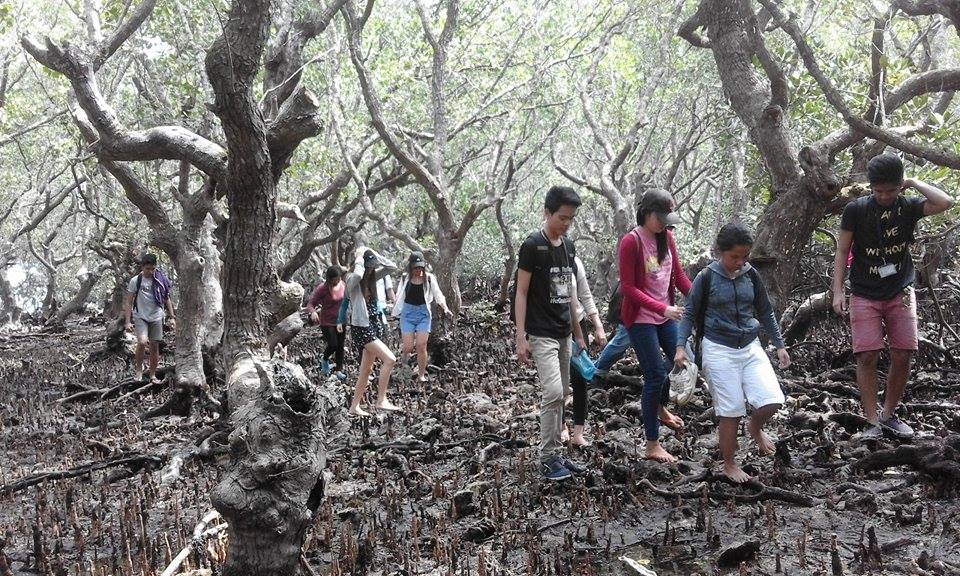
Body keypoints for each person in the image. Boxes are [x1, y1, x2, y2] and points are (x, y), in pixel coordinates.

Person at [831, 154, 953, 439]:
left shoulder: (909, 206)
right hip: (864, 291)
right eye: (878, 191)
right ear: (871, 187)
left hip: (900, 290)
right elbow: (841, 250)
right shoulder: (856, 209)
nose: (884, 196)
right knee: (868, 354)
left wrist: (912, 181)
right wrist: (838, 290)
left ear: (900, 186)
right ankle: (872, 420)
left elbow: (945, 202)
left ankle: (888, 415)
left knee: (903, 352)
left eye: (891, 190)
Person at [676, 223, 791, 482]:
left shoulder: (751, 275)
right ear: (720, 252)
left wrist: (780, 344)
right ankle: (729, 463)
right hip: (718, 348)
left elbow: (765, 311)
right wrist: (680, 347)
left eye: (745, 256)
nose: (740, 262)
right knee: (731, 409)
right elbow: (689, 314)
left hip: (750, 345)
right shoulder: (706, 277)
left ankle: (755, 427)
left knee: (772, 398)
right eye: (734, 257)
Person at [514, 185, 588, 481]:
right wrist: (521, 336)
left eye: (570, 218)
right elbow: (520, 292)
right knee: (554, 392)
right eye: (561, 217)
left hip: (564, 332)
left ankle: (557, 454)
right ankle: (547, 457)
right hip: (540, 332)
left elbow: (568, 292)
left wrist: (579, 332)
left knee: (564, 394)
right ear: (547, 213)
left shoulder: (568, 246)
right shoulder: (532, 246)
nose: (566, 223)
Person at [618, 188, 691, 464]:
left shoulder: (667, 238)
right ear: (647, 214)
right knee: (654, 376)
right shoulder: (631, 242)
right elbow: (628, 288)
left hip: (665, 315)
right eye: (661, 218)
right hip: (640, 319)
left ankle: (661, 408)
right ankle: (652, 444)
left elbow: (679, 275)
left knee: (678, 361)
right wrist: (663, 308)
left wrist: (699, 297)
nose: (665, 224)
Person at [342, 250, 400, 416]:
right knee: (390, 359)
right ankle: (381, 400)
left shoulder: (372, 278)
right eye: (367, 267)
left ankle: (354, 406)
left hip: (374, 324)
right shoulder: (351, 278)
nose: (369, 271)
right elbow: (358, 275)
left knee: (366, 370)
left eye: (371, 268)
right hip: (362, 328)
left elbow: (392, 266)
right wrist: (360, 258)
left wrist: (373, 253)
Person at [563, 255, 607, 447]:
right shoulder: (541, 257)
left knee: (580, 378)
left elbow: (585, 295)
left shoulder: (574, 261)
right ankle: (562, 427)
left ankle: (579, 433)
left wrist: (598, 325)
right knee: (558, 382)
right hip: (552, 328)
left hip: (578, 325)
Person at [392, 252, 453, 382]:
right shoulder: (404, 278)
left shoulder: (429, 278)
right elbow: (399, 296)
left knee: (421, 345)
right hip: (407, 314)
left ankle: (421, 374)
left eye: (420, 267)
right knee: (408, 347)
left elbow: (438, 295)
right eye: (416, 267)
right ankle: (404, 366)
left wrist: (445, 309)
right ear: (411, 267)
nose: (418, 270)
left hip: (423, 315)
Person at [123, 253, 175, 382]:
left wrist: (172, 317)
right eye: (147, 269)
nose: (150, 272)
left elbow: (166, 298)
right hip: (140, 315)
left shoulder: (160, 279)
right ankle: (139, 371)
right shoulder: (136, 281)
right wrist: (128, 322)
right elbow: (129, 302)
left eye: (153, 269)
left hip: (157, 316)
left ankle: (152, 374)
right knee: (141, 342)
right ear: (142, 267)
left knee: (154, 345)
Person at [306, 265, 347, 381]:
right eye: (334, 279)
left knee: (340, 347)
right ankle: (324, 360)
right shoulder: (322, 288)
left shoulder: (343, 285)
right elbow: (311, 304)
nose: (337, 281)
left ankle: (339, 370)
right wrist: (313, 312)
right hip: (327, 322)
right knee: (333, 344)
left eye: (338, 279)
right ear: (329, 279)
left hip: (341, 321)